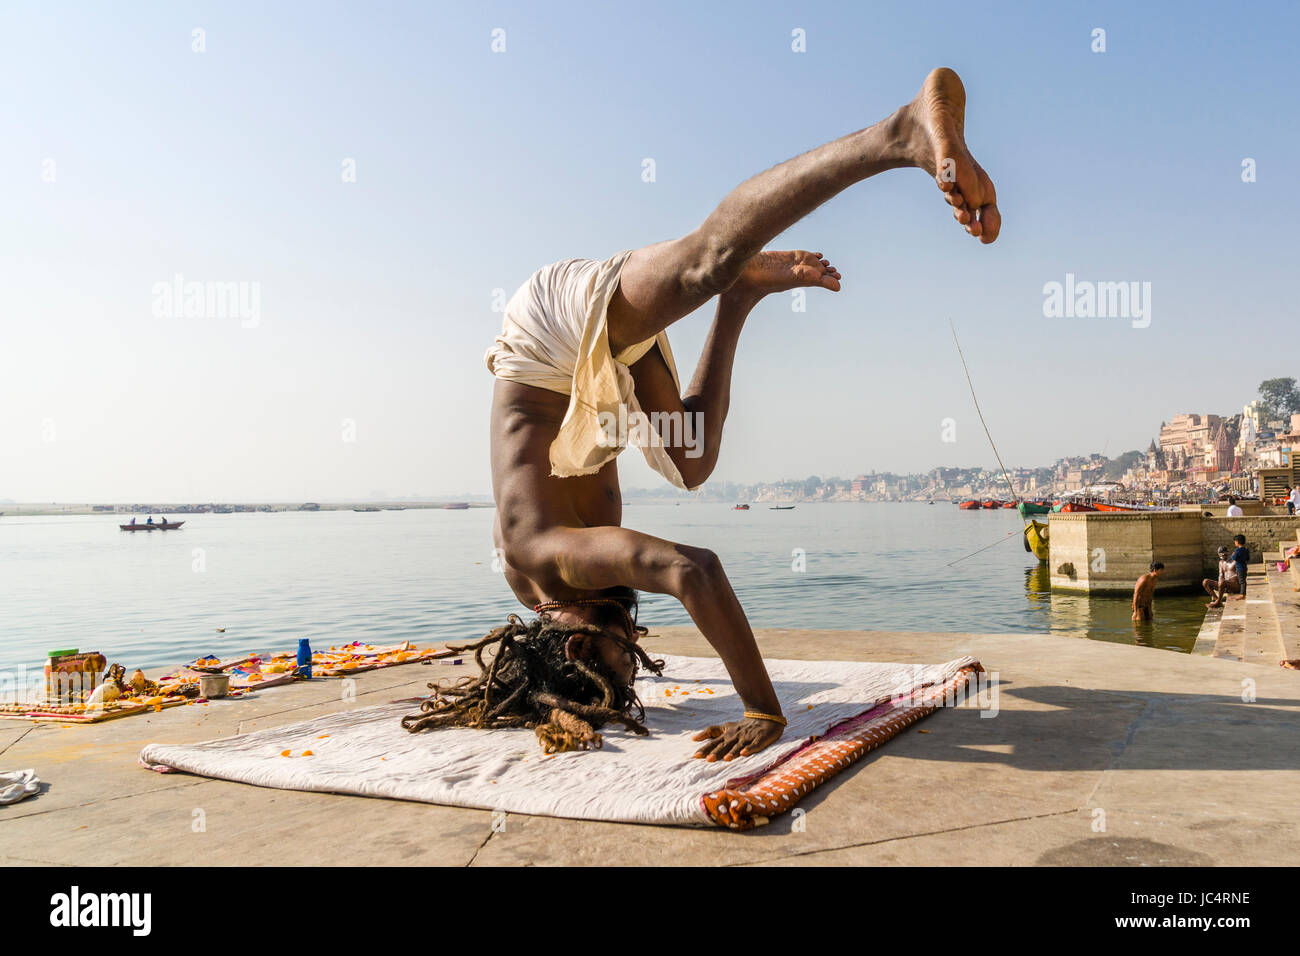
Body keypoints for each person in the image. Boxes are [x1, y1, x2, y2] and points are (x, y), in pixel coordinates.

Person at [404, 67, 1001, 760]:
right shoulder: (543, 581)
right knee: (692, 458)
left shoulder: (551, 561)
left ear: (575, 642)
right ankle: (740, 297)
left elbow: (696, 571)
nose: (634, 643)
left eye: (622, 658)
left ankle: (899, 134)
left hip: (548, 334)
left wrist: (761, 710)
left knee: (707, 258)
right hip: (589, 395)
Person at [1230, 535, 1250, 600]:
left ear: (1237, 542)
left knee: (1242, 581)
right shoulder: (1245, 549)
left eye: (1235, 541)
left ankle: (1242, 595)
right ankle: (1242, 592)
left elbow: (1233, 558)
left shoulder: (1237, 550)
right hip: (1244, 567)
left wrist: (1233, 554)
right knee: (1243, 581)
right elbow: (1247, 558)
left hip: (1239, 568)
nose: (1234, 543)